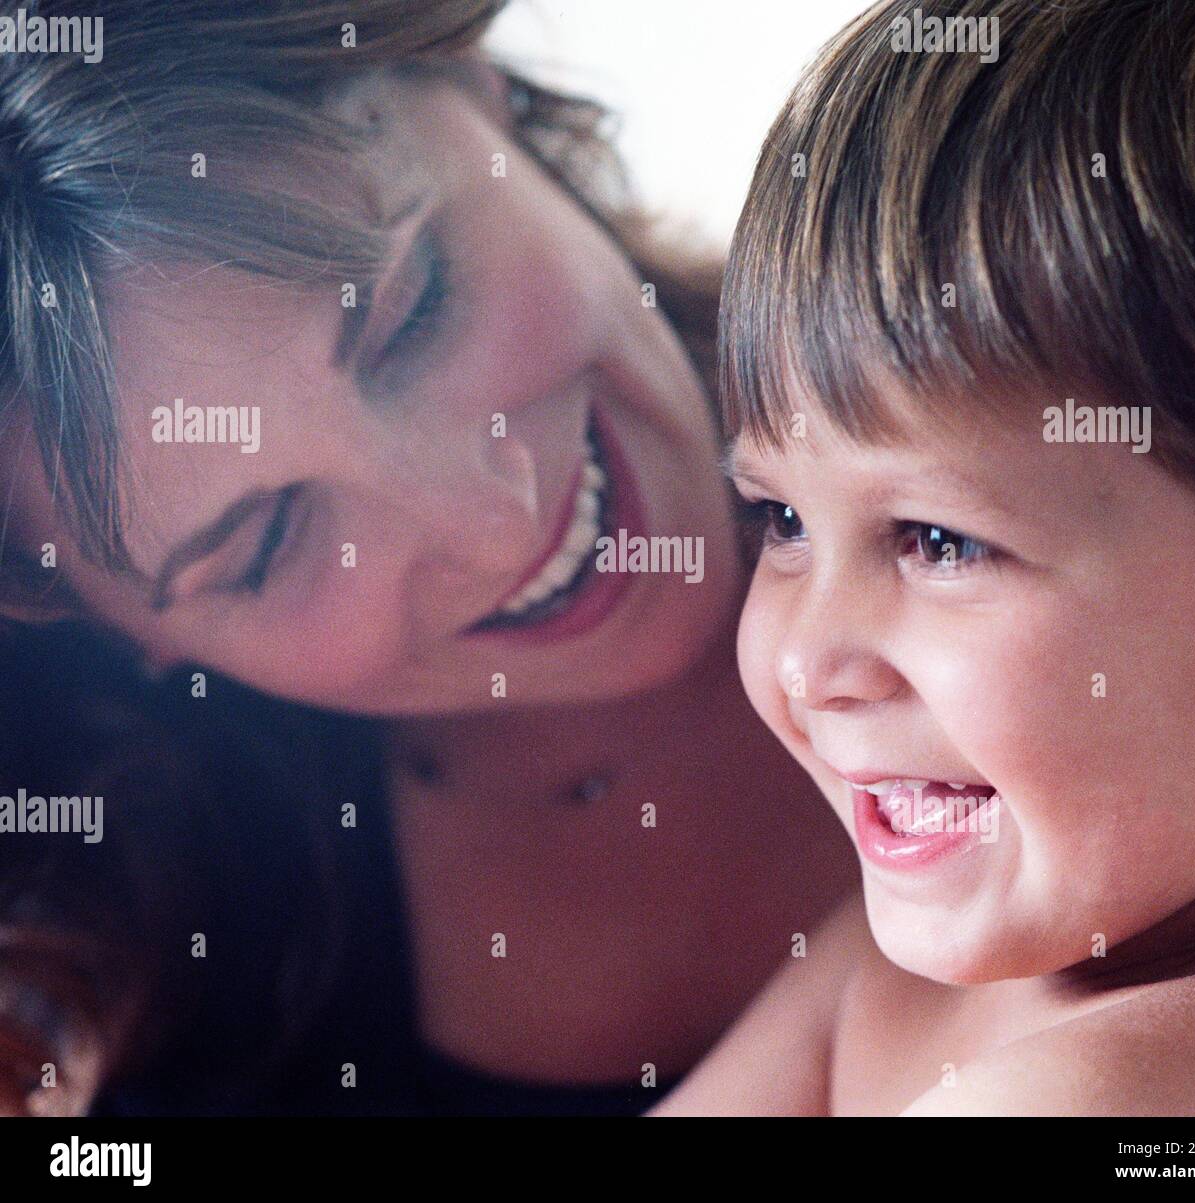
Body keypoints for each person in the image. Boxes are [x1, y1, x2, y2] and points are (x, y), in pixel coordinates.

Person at [0, 0, 854, 1114]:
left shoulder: (1084, 339)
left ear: (469, 86)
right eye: (265, 548)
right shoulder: (155, 1042)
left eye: (415, 311)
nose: (493, 521)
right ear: (119, 639)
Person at [654, 0, 1195, 1115]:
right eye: (782, 520)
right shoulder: (897, 952)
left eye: (939, 541)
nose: (809, 663)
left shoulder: (1133, 1093)